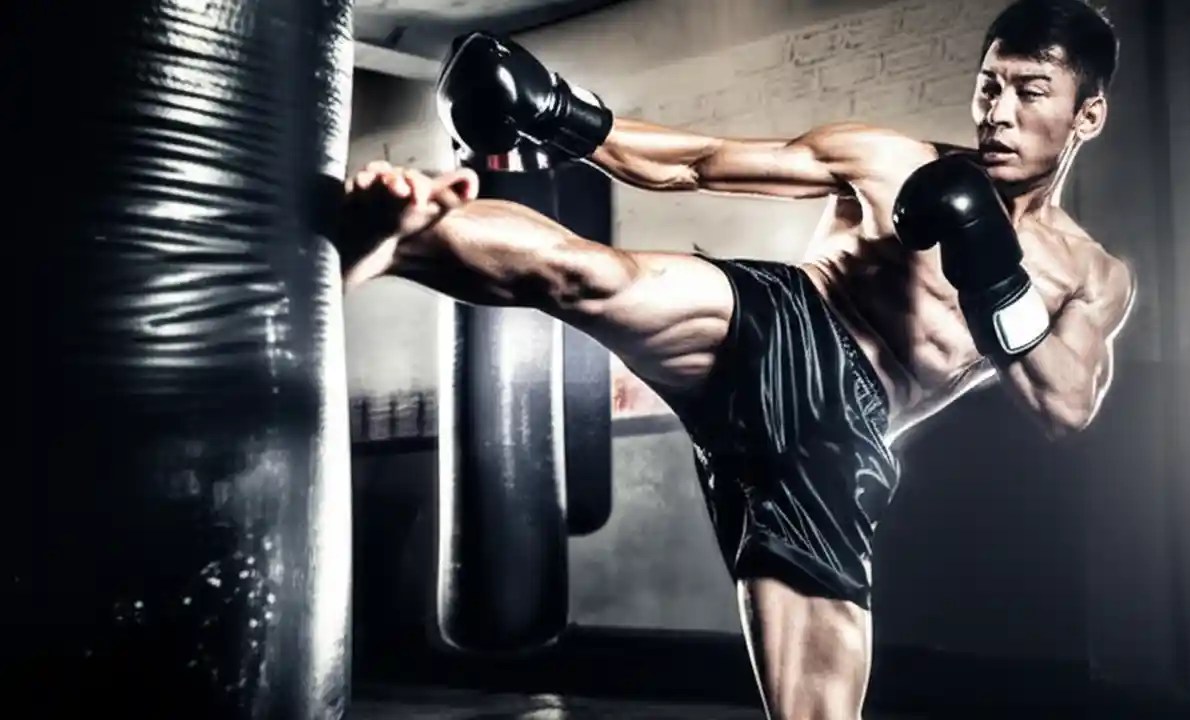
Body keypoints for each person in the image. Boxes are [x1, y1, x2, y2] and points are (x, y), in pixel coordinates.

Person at [344, 0, 1137, 717]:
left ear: (1086, 114)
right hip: (780, 316)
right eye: (988, 86)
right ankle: (386, 234)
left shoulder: (1091, 274)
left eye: (1030, 92)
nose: (997, 113)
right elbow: (700, 160)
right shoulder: (893, 161)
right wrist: (561, 113)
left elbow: (1066, 404)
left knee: (813, 710)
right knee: (591, 274)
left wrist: (994, 273)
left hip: (840, 432)